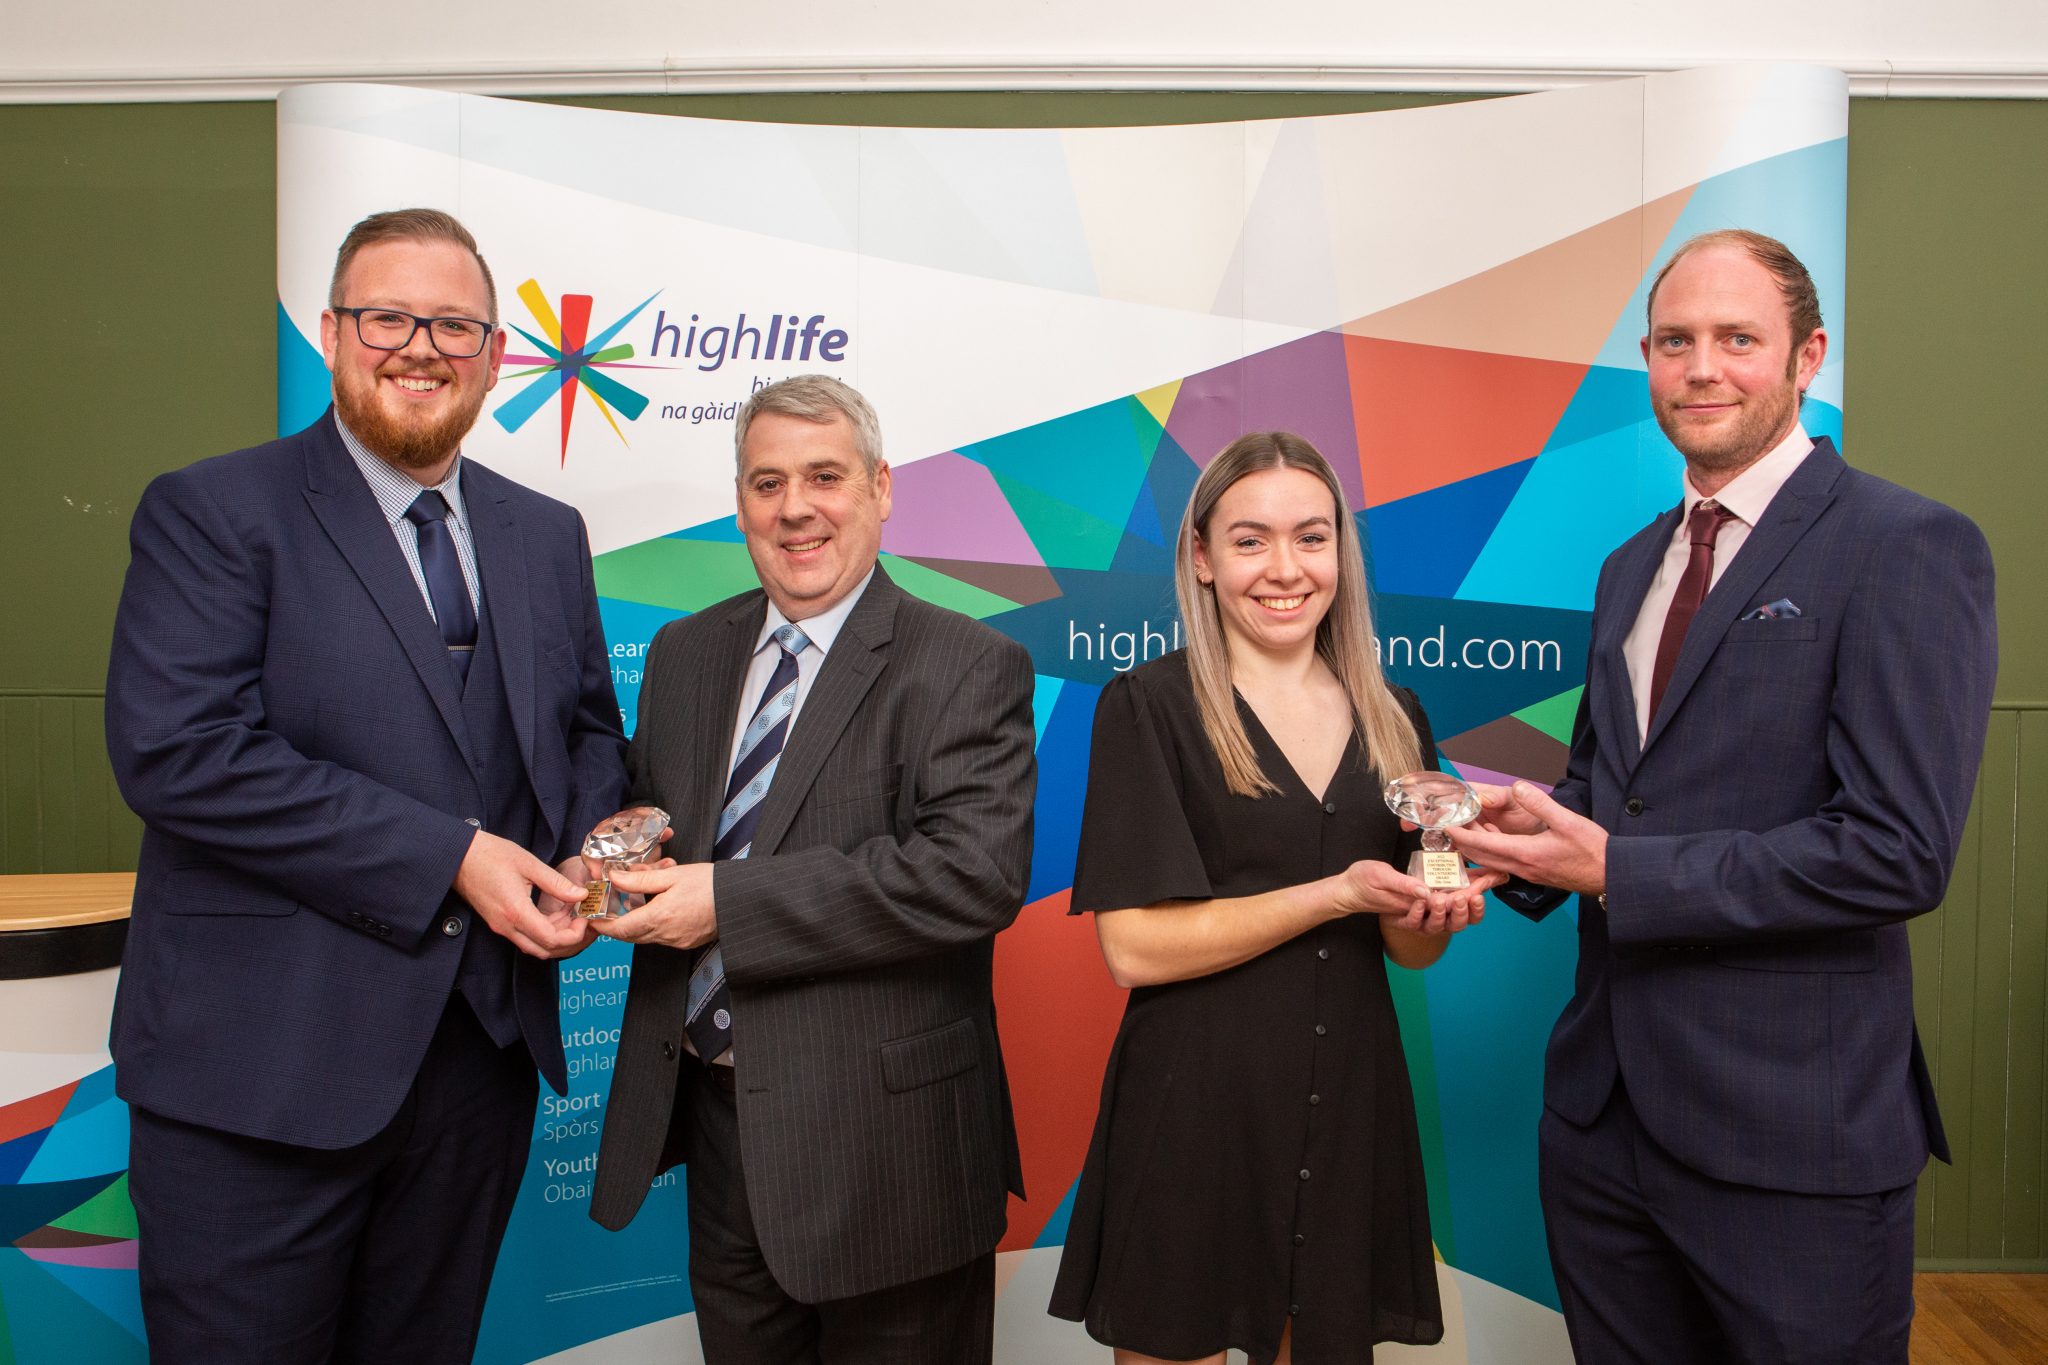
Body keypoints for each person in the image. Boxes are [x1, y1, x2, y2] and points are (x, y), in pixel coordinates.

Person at [1450, 229, 1998, 1364]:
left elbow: (1895, 850)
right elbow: (1614, 798)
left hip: (1792, 1134)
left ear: (1807, 357)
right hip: (1601, 1126)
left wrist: (1613, 869)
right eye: (1672, 341)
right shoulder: (1629, 566)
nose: (1699, 368)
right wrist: (1510, 844)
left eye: (1735, 339)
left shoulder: (1905, 546)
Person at [104, 208, 628, 1362]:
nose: (420, 348)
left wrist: (590, 850)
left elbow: (584, 727)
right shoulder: (212, 511)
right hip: (256, 1079)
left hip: (473, 1072)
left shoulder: (544, 534)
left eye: (453, 323)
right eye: (388, 317)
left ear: (494, 355)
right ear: (335, 337)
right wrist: (452, 855)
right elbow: (180, 751)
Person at [585, 375, 1036, 1364]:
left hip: (890, 1157)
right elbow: (653, 822)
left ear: (879, 488)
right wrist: (610, 858)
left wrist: (723, 905)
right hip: (717, 1132)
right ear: (740, 500)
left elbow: (971, 875)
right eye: (766, 481)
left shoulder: (964, 663)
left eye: (824, 476)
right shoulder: (683, 653)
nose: (795, 508)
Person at [1047, 431, 1491, 1365]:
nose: (1284, 569)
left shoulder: (1396, 712)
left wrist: (1429, 916)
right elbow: (1133, 948)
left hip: (1349, 1111)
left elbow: (1407, 950)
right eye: (1250, 541)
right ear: (1202, 559)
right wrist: (1333, 893)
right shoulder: (1148, 707)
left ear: (1340, 553)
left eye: (1311, 537)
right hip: (1197, 1113)